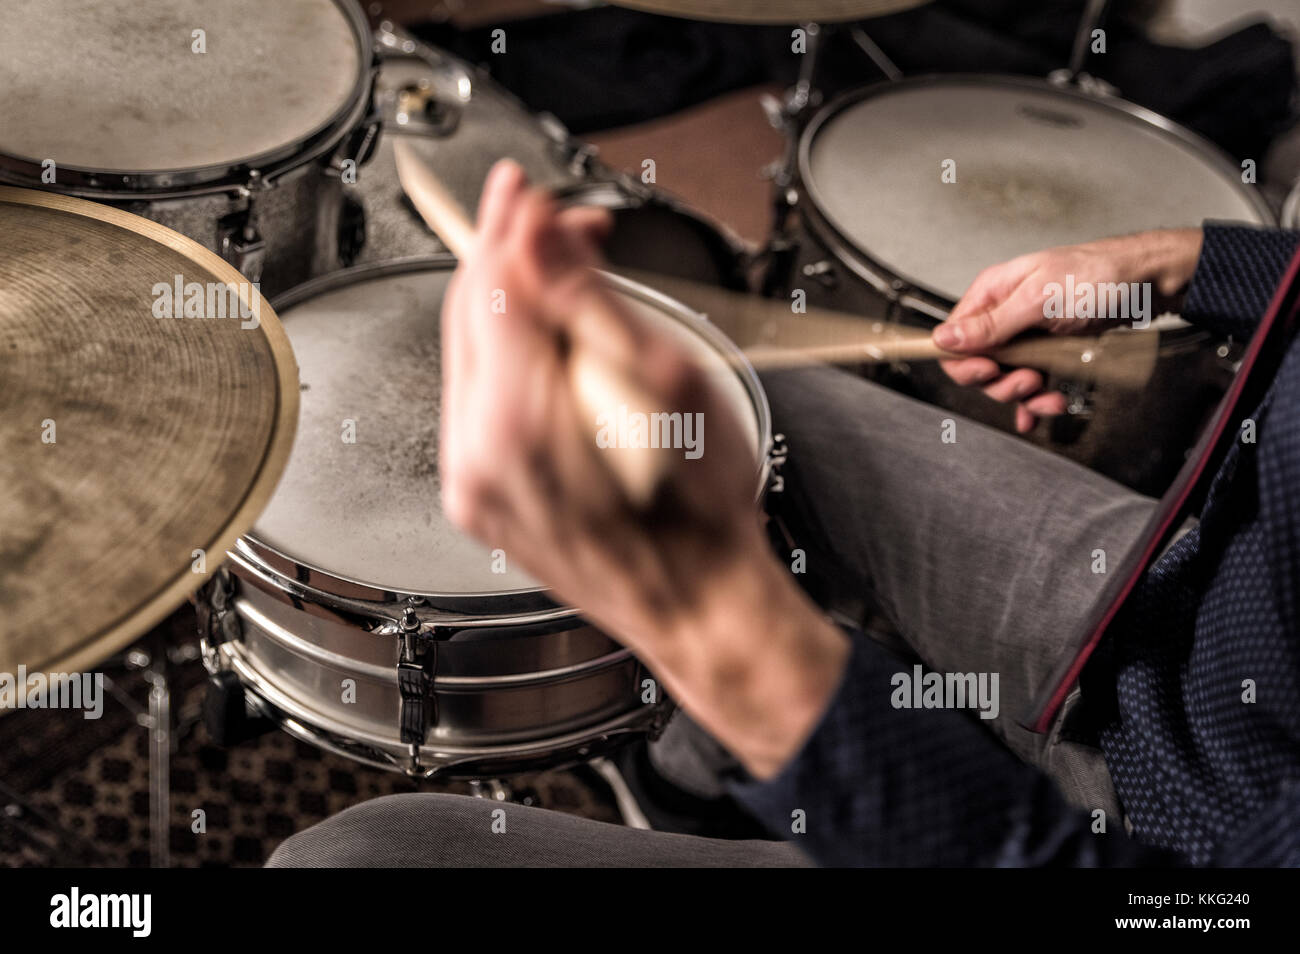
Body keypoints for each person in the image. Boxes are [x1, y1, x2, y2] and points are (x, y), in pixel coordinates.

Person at [268, 161, 1300, 867]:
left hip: (1173, 841)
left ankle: (752, 751)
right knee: (714, 386)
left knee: (351, 862)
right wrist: (1185, 264)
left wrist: (713, 620)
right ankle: (686, 788)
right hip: (1186, 596)